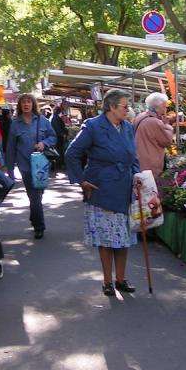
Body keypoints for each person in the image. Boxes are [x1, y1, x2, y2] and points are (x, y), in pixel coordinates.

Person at [66, 89, 140, 297]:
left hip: (125, 188)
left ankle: (121, 279)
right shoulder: (93, 126)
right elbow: (72, 154)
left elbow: (132, 156)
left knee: (124, 238)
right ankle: (107, 281)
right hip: (102, 190)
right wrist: (82, 181)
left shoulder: (127, 127)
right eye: (125, 106)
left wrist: (138, 177)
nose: (128, 109)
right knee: (106, 239)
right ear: (111, 107)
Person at [6, 93, 57, 239]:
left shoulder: (43, 121)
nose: (26, 104)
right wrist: (10, 169)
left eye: (29, 102)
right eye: (23, 102)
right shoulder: (15, 124)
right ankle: (39, 226)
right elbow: (10, 147)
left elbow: (53, 137)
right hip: (25, 166)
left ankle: (34, 217)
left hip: (41, 165)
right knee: (34, 196)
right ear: (20, 105)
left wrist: (44, 143)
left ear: (33, 104)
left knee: (38, 196)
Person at [133, 92, 175, 178]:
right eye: (164, 106)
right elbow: (167, 141)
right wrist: (167, 125)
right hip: (150, 162)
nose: (165, 109)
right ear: (158, 107)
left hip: (139, 159)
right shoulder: (154, 122)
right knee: (151, 188)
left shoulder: (140, 116)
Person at [50, 104, 69, 171]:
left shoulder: (55, 118)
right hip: (58, 138)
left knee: (58, 151)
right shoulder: (56, 118)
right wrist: (63, 134)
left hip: (57, 138)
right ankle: (59, 165)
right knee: (59, 151)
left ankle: (58, 165)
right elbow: (58, 129)